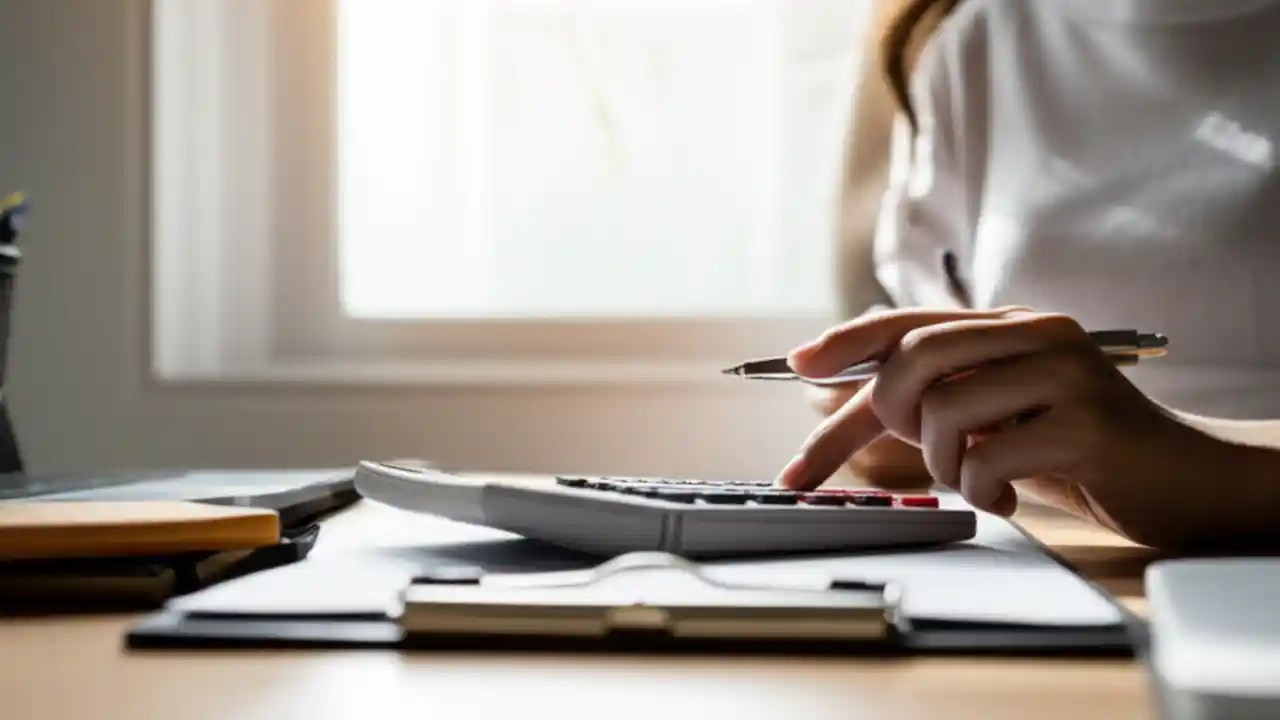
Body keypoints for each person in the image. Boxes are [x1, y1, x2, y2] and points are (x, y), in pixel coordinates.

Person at [778, 0, 1280, 549]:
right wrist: (906, 421)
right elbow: (915, 425)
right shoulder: (975, 36)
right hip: (1049, 556)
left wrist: (1213, 472)